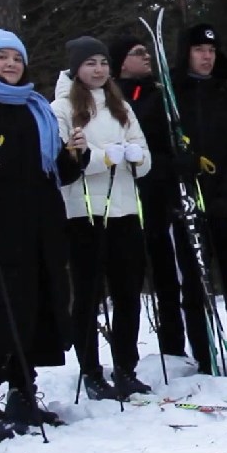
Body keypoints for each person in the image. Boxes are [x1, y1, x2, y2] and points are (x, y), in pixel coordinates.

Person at [0, 29, 84, 441]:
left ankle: (23, 391)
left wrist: (74, 154)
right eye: (1, 57)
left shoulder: (36, 106)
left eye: (16, 58)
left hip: (37, 221)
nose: (10, 64)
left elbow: (55, 169)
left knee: (34, 303)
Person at [51, 37, 152, 399]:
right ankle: (91, 371)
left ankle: (126, 366)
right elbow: (66, 160)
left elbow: (143, 156)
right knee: (89, 295)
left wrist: (137, 156)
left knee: (127, 293)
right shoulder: (61, 107)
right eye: (90, 63)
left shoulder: (120, 104)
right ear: (76, 68)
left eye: (103, 63)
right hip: (84, 213)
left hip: (125, 208)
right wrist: (104, 158)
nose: (98, 69)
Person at [171, 23, 227, 380]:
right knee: (194, 282)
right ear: (187, 53)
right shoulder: (172, 97)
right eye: (199, 50)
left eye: (211, 51)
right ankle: (204, 356)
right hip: (188, 203)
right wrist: (180, 165)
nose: (206, 57)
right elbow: (161, 148)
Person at [109, 33, 186, 359]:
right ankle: (125, 356)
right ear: (122, 61)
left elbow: (168, 141)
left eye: (146, 52)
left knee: (167, 270)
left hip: (158, 193)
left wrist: (171, 164)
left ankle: (173, 347)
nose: (146, 57)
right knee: (126, 278)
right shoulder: (109, 98)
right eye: (138, 53)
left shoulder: (159, 94)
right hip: (121, 197)